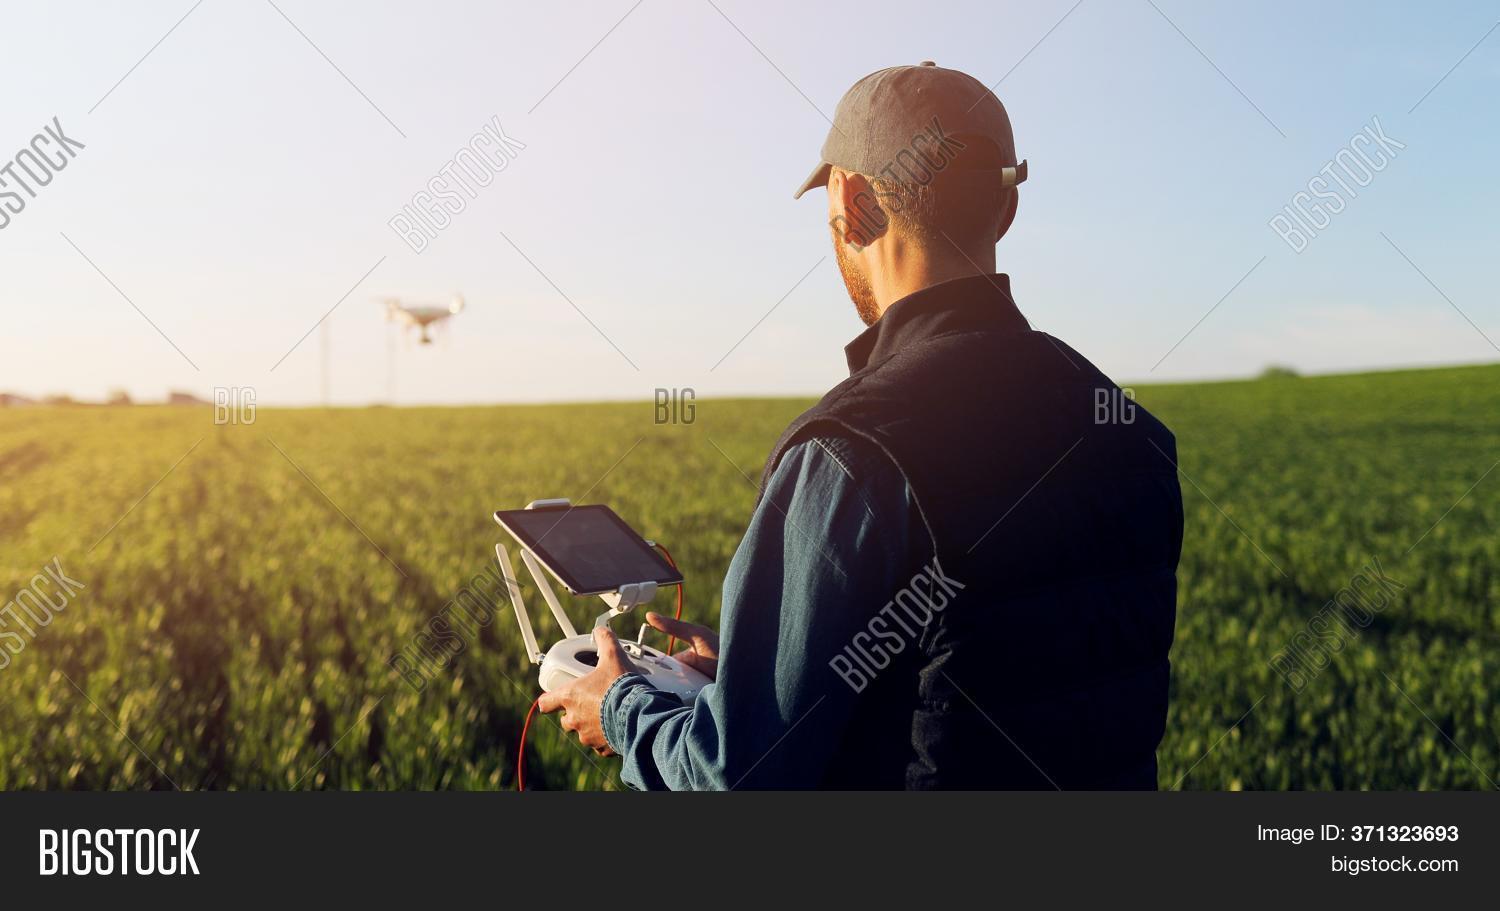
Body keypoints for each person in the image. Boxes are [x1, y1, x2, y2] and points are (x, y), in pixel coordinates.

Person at [538, 61, 1184, 789]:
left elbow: (741, 776)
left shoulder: (853, 451)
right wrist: (764, 667)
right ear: (1005, 210)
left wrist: (620, 708)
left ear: (853, 202)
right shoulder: (1133, 433)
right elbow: (1017, 670)